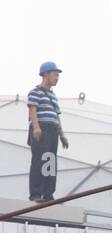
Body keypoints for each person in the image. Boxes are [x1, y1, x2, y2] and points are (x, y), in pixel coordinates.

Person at [27, 62, 69, 203]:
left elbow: (56, 116)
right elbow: (32, 109)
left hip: (52, 131)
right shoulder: (35, 92)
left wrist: (62, 135)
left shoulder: (53, 96)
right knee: (39, 160)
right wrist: (36, 127)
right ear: (45, 74)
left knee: (50, 161)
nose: (57, 78)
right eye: (55, 75)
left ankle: (48, 194)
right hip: (42, 128)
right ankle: (36, 193)